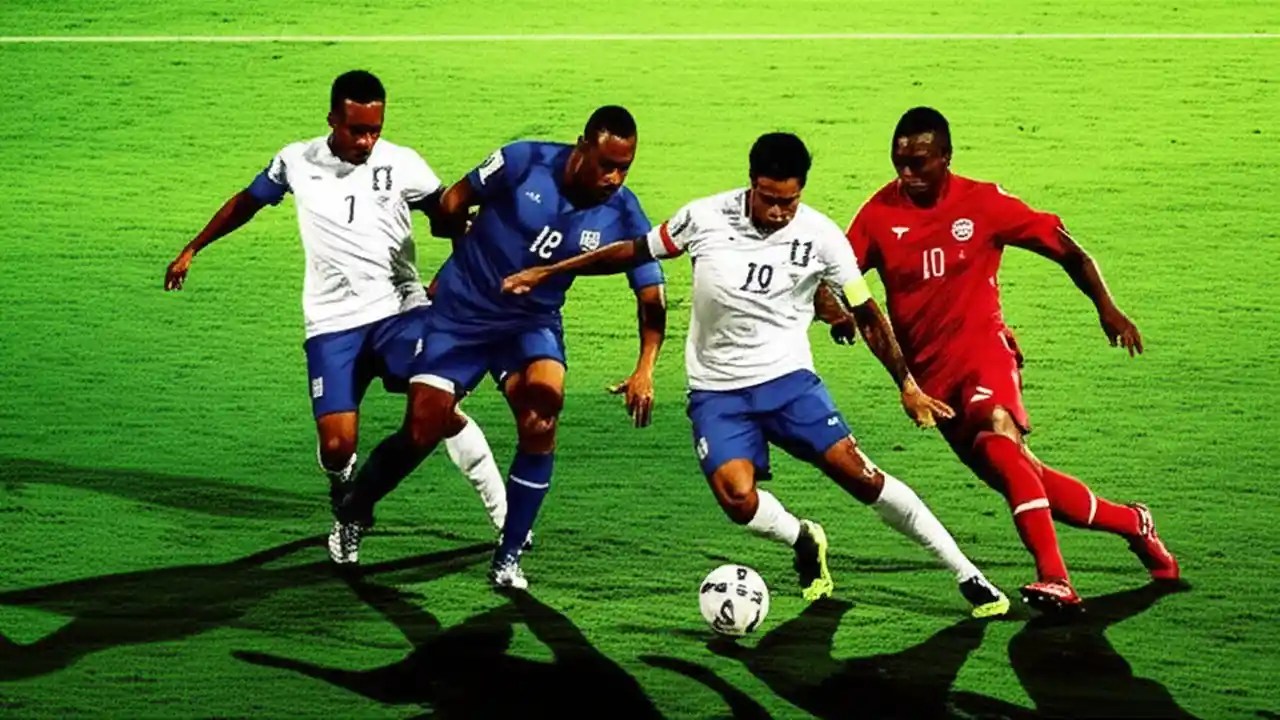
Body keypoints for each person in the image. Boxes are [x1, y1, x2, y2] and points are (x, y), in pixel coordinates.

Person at [502, 132, 1010, 618]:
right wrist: (548, 271)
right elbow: (633, 251)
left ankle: (965, 572)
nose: (777, 212)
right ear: (752, 183)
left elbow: (868, 313)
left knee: (861, 476)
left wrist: (907, 385)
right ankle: (803, 538)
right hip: (717, 392)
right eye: (768, 199)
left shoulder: (819, 235)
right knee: (737, 499)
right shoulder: (703, 217)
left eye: (788, 201)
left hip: (789, 383)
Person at [838, 106, 1179, 614]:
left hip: (985, 354)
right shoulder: (878, 213)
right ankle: (1133, 523)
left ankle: (1056, 578)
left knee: (1001, 439)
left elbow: (1069, 251)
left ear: (947, 158)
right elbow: (840, 275)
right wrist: (838, 310)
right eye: (899, 162)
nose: (906, 174)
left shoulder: (983, 202)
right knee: (1020, 473)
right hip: (932, 380)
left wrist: (1107, 308)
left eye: (920, 163)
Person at [163, 69, 508, 561]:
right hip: (331, 325)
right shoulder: (296, 160)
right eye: (357, 130)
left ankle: (507, 520)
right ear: (332, 120)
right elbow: (247, 202)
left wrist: (456, 283)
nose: (368, 140)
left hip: (399, 311)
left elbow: (450, 215)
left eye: (375, 129)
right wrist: (193, 248)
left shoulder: (403, 163)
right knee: (336, 446)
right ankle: (344, 494)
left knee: (438, 408)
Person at [332, 105, 668, 589]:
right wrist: (459, 248)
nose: (614, 177)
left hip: (529, 323)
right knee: (423, 429)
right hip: (459, 316)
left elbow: (651, 298)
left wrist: (645, 368)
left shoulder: (623, 213)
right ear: (582, 147)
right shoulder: (523, 161)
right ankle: (354, 508)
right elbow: (452, 202)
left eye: (624, 168)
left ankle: (508, 555)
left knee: (542, 416)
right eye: (606, 164)